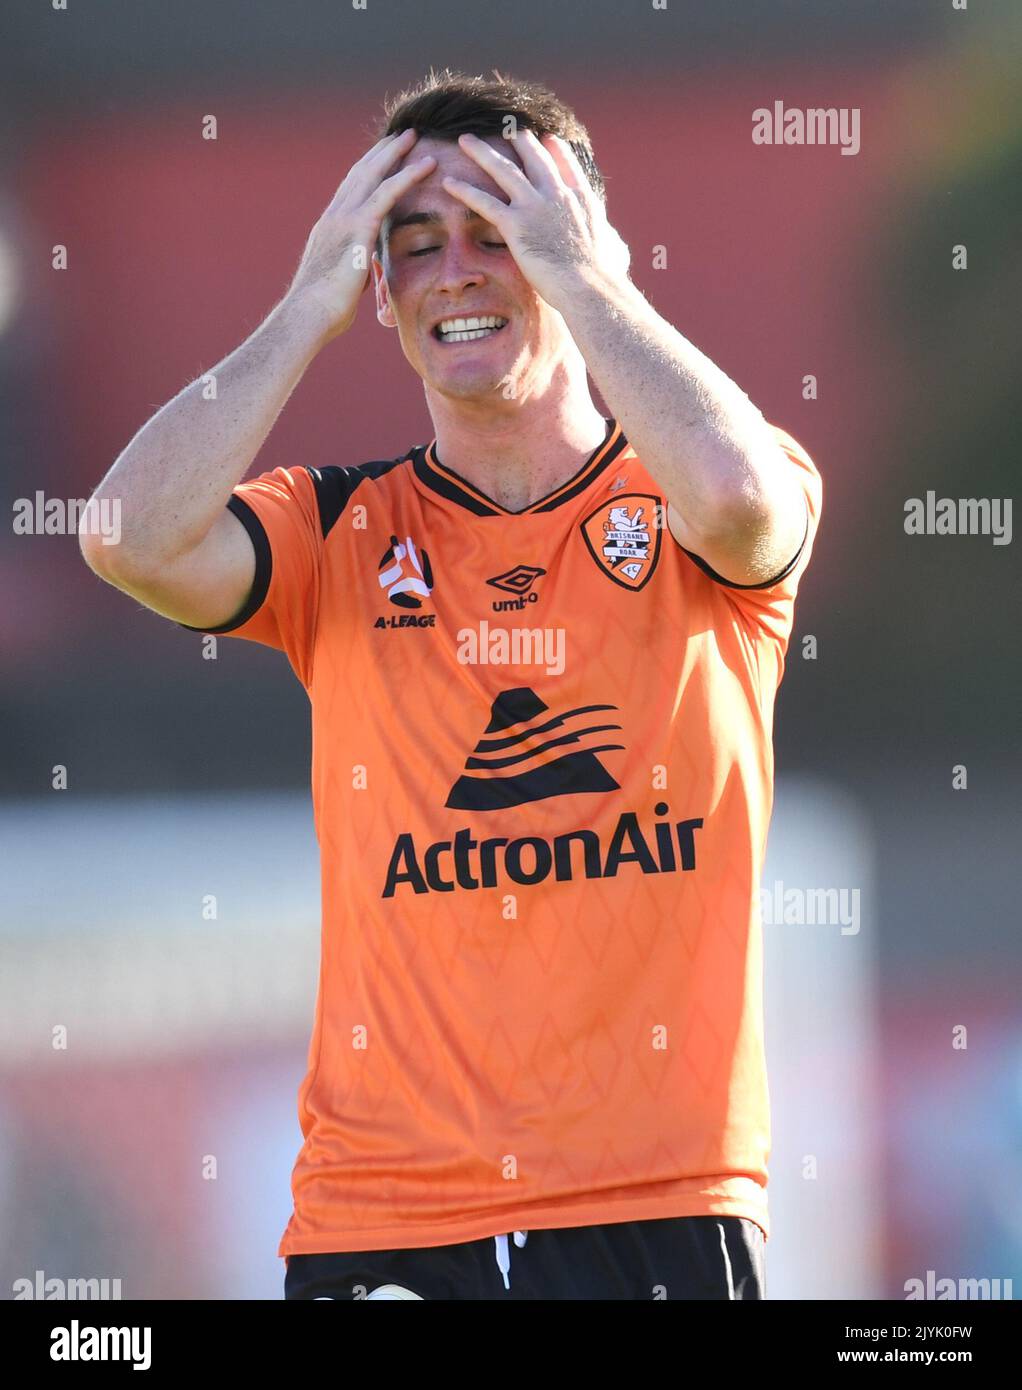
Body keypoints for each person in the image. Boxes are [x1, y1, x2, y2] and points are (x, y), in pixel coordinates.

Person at [80, 69, 821, 1300]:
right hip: (385, 1219)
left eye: (504, 234)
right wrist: (305, 304)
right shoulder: (338, 532)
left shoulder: (701, 500)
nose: (456, 272)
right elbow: (126, 535)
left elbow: (745, 509)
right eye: (413, 246)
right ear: (381, 286)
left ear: (582, 246)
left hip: (657, 1207)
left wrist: (589, 281)